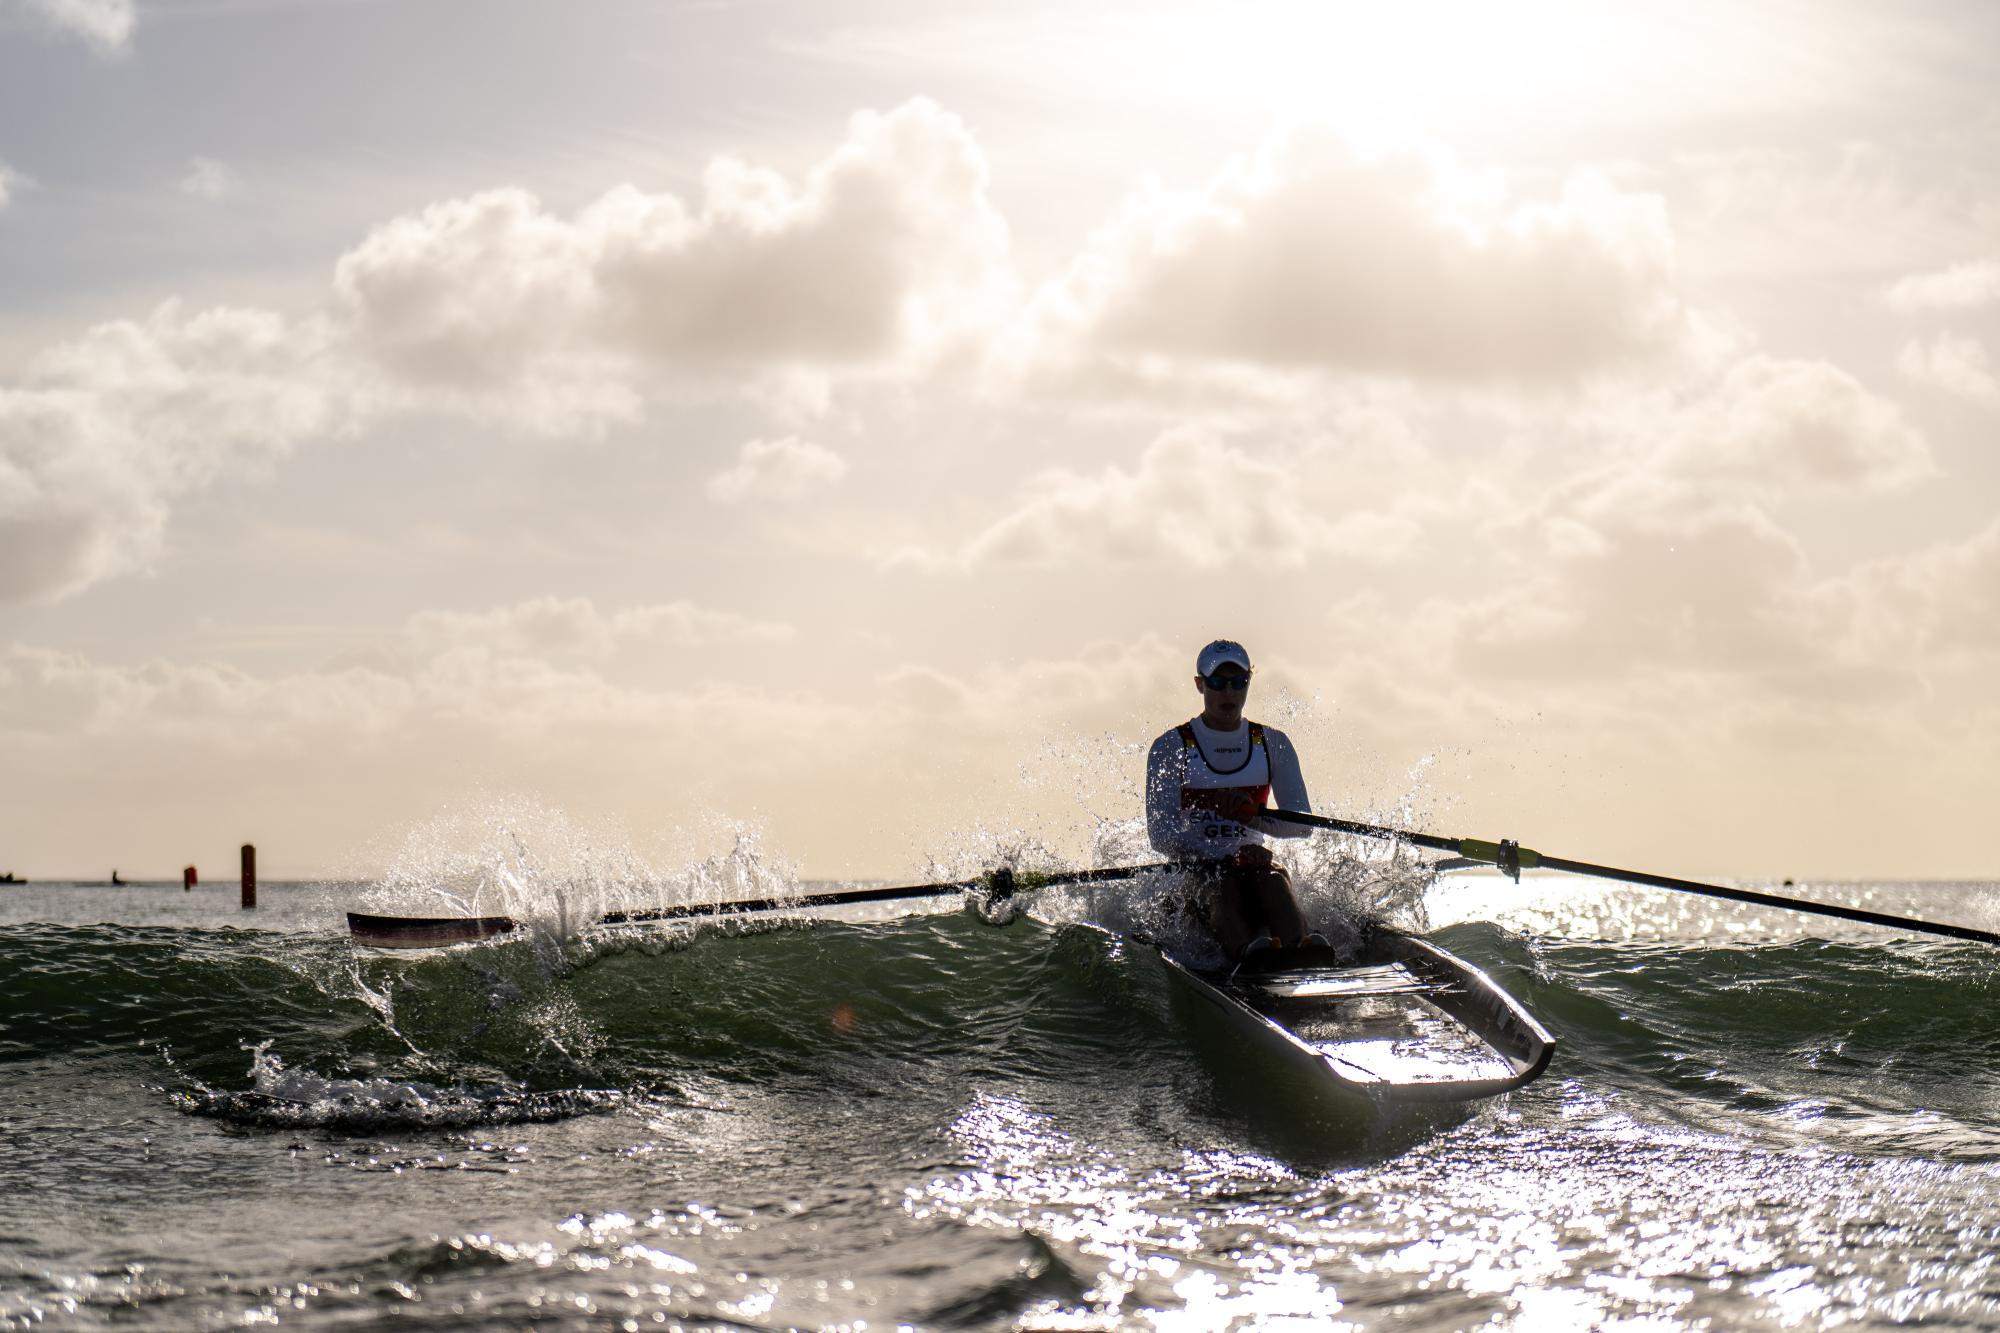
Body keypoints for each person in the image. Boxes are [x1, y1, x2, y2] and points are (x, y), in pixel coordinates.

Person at [1145, 639, 1316, 960]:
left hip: (1255, 866)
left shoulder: (1272, 743)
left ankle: (1300, 951)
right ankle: (1248, 959)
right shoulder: (1171, 747)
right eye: (1217, 683)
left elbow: (1303, 825)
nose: (1228, 693)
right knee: (1222, 889)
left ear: (1248, 682)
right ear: (1200, 684)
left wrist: (1252, 816)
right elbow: (1161, 835)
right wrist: (1212, 856)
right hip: (1197, 871)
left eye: (1238, 682)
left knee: (1275, 882)